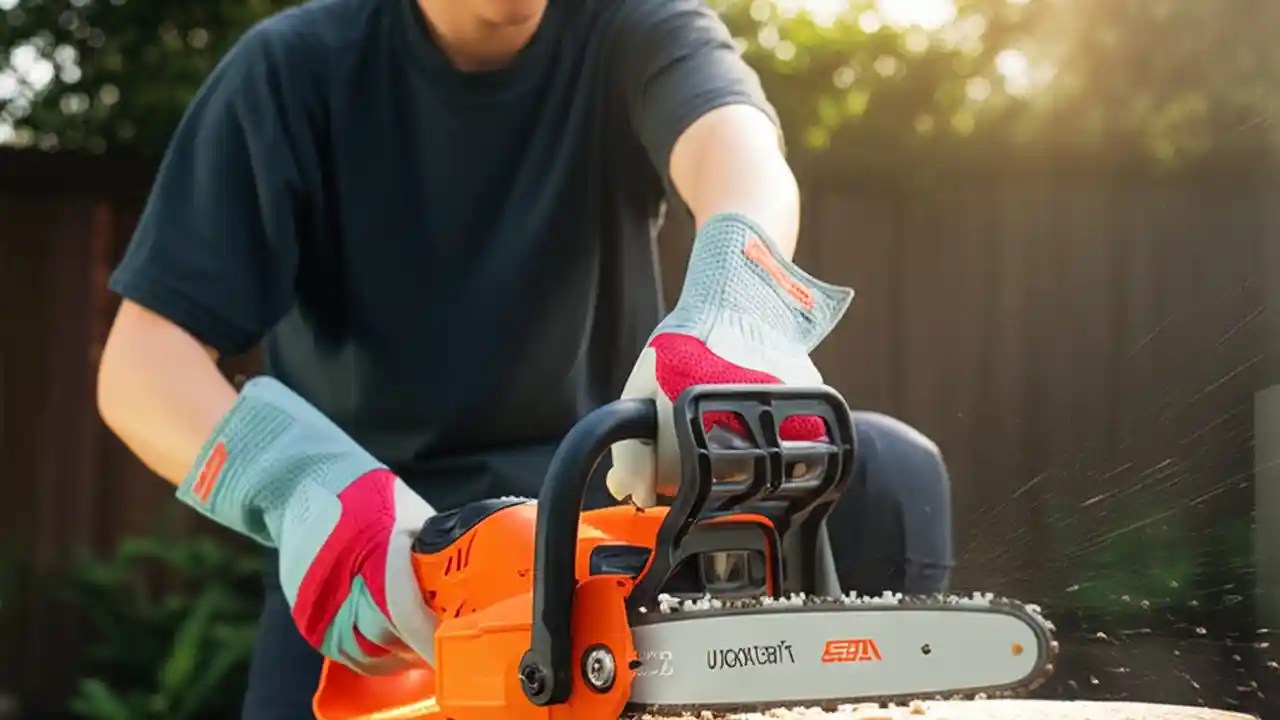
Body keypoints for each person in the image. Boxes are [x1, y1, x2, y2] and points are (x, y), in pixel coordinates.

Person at [95, 0, 955, 715]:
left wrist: (739, 301)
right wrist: (296, 485)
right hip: (379, 571)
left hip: (604, 540)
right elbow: (142, 363)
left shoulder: (633, 29)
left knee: (884, 473)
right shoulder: (292, 71)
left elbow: (738, 151)